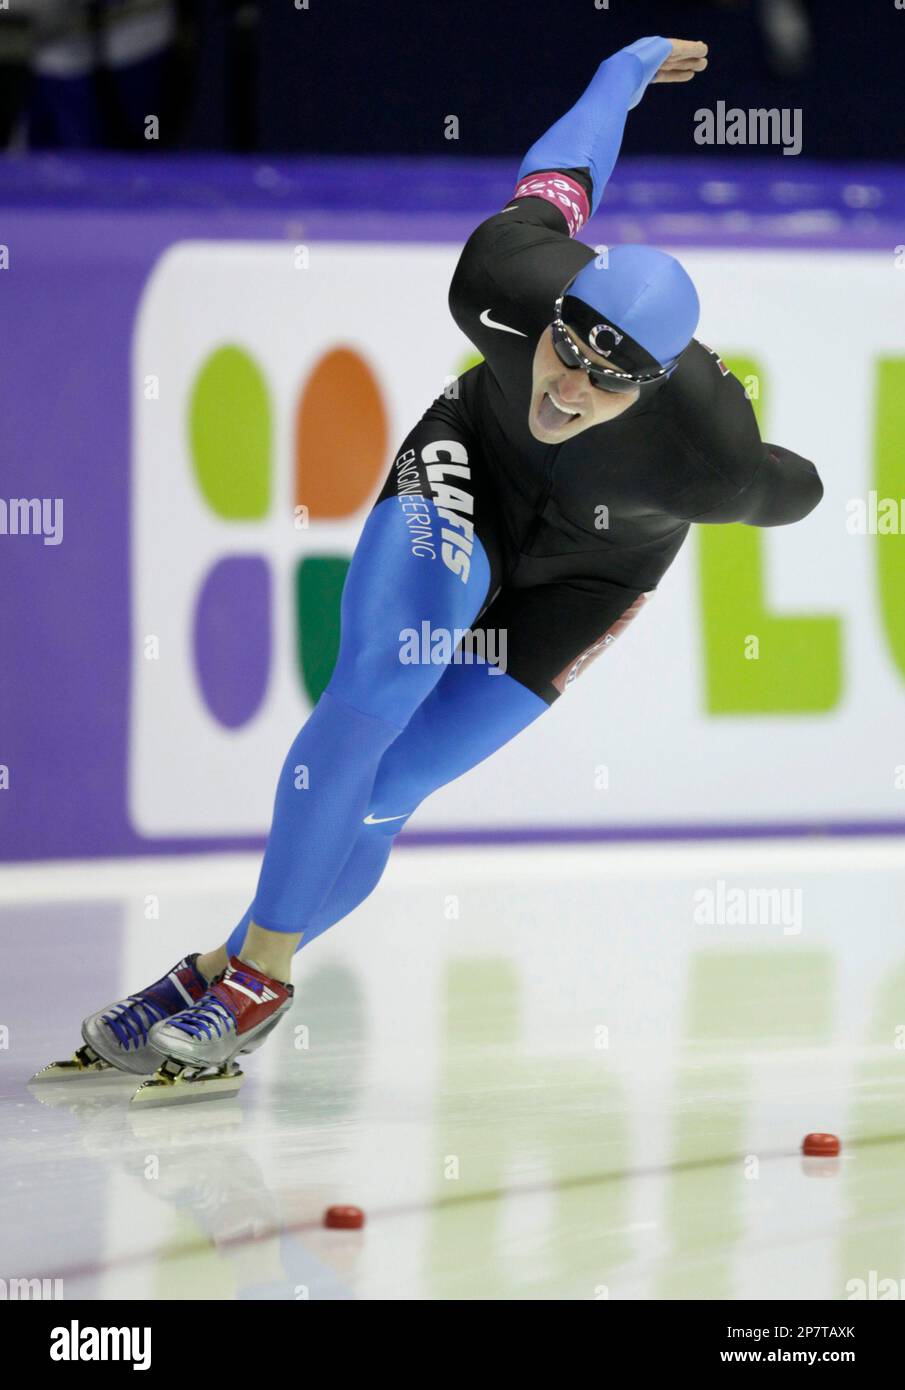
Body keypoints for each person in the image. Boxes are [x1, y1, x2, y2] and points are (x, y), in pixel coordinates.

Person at [34, 36, 823, 1101]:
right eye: (570, 345)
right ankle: (263, 977)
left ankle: (221, 971)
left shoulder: (710, 461)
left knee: (387, 792)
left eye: (607, 377)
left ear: (652, 386)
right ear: (559, 309)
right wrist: (618, 76)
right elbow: (565, 174)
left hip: (587, 576)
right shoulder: (503, 279)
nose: (569, 383)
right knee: (375, 684)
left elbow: (797, 488)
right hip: (470, 469)